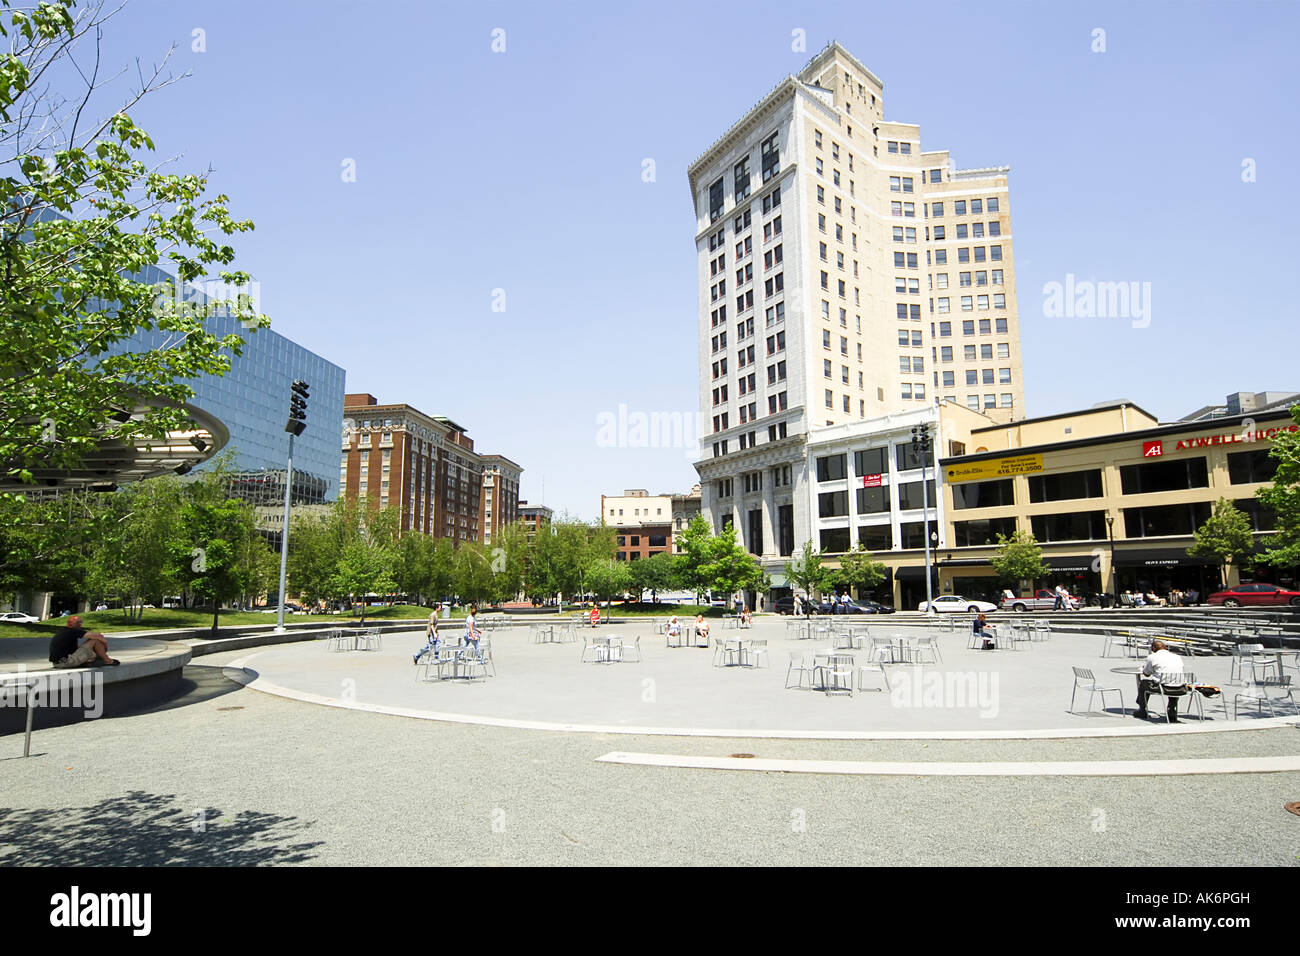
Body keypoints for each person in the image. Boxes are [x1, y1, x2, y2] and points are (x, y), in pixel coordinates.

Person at [1135, 640, 1185, 722]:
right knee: (1172, 681)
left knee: (1143, 683)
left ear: (1154, 648)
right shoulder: (1177, 656)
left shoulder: (1152, 657)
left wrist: (1145, 668)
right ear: (1165, 648)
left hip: (1163, 687)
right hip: (1180, 687)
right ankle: (1172, 709)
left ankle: (1142, 709)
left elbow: (1147, 673)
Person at [49, 615, 118, 668]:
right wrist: (105, 643)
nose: (80, 624)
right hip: (65, 662)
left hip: (58, 662)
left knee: (90, 649)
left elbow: (77, 648)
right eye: (78, 622)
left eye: (81, 622)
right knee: (95, 640)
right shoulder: (73, 631)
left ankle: (92, 660)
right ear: (71, 624)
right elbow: (96, 636)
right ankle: (107, 660)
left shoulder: (64, 631)